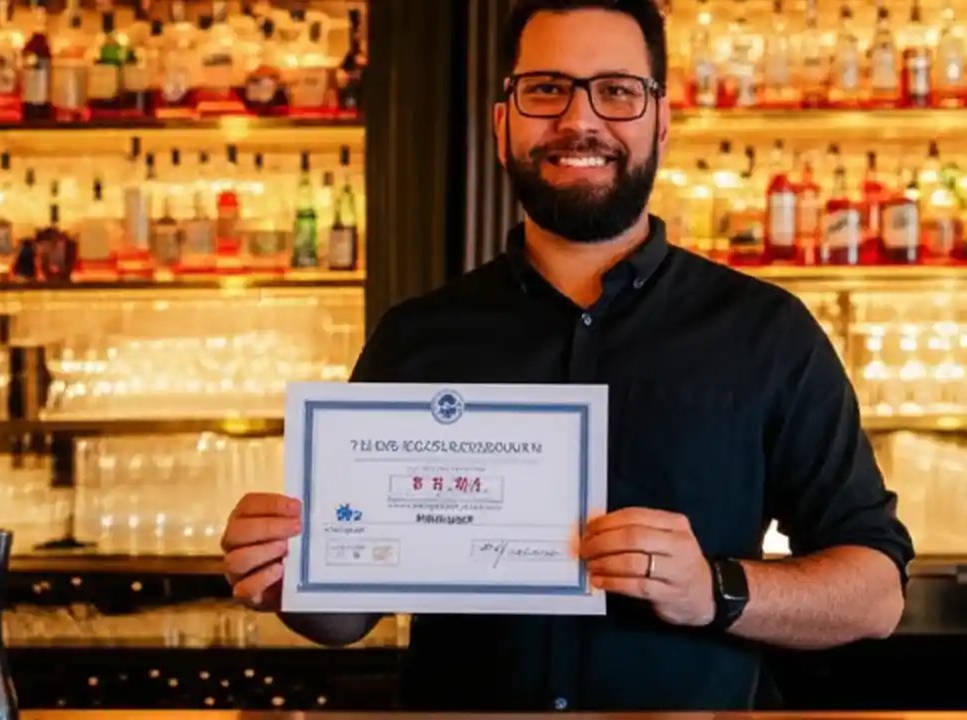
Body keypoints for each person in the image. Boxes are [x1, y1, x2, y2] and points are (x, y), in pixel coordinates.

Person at [221, 0, 914, 711]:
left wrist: (714, 588)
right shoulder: (418, 336)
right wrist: (290, 579)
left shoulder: (767, 332)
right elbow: (348, 614)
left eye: (616, 90)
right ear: (502, 126)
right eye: (546, 88)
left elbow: (875, 594)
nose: (580, 121)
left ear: (661, 123)